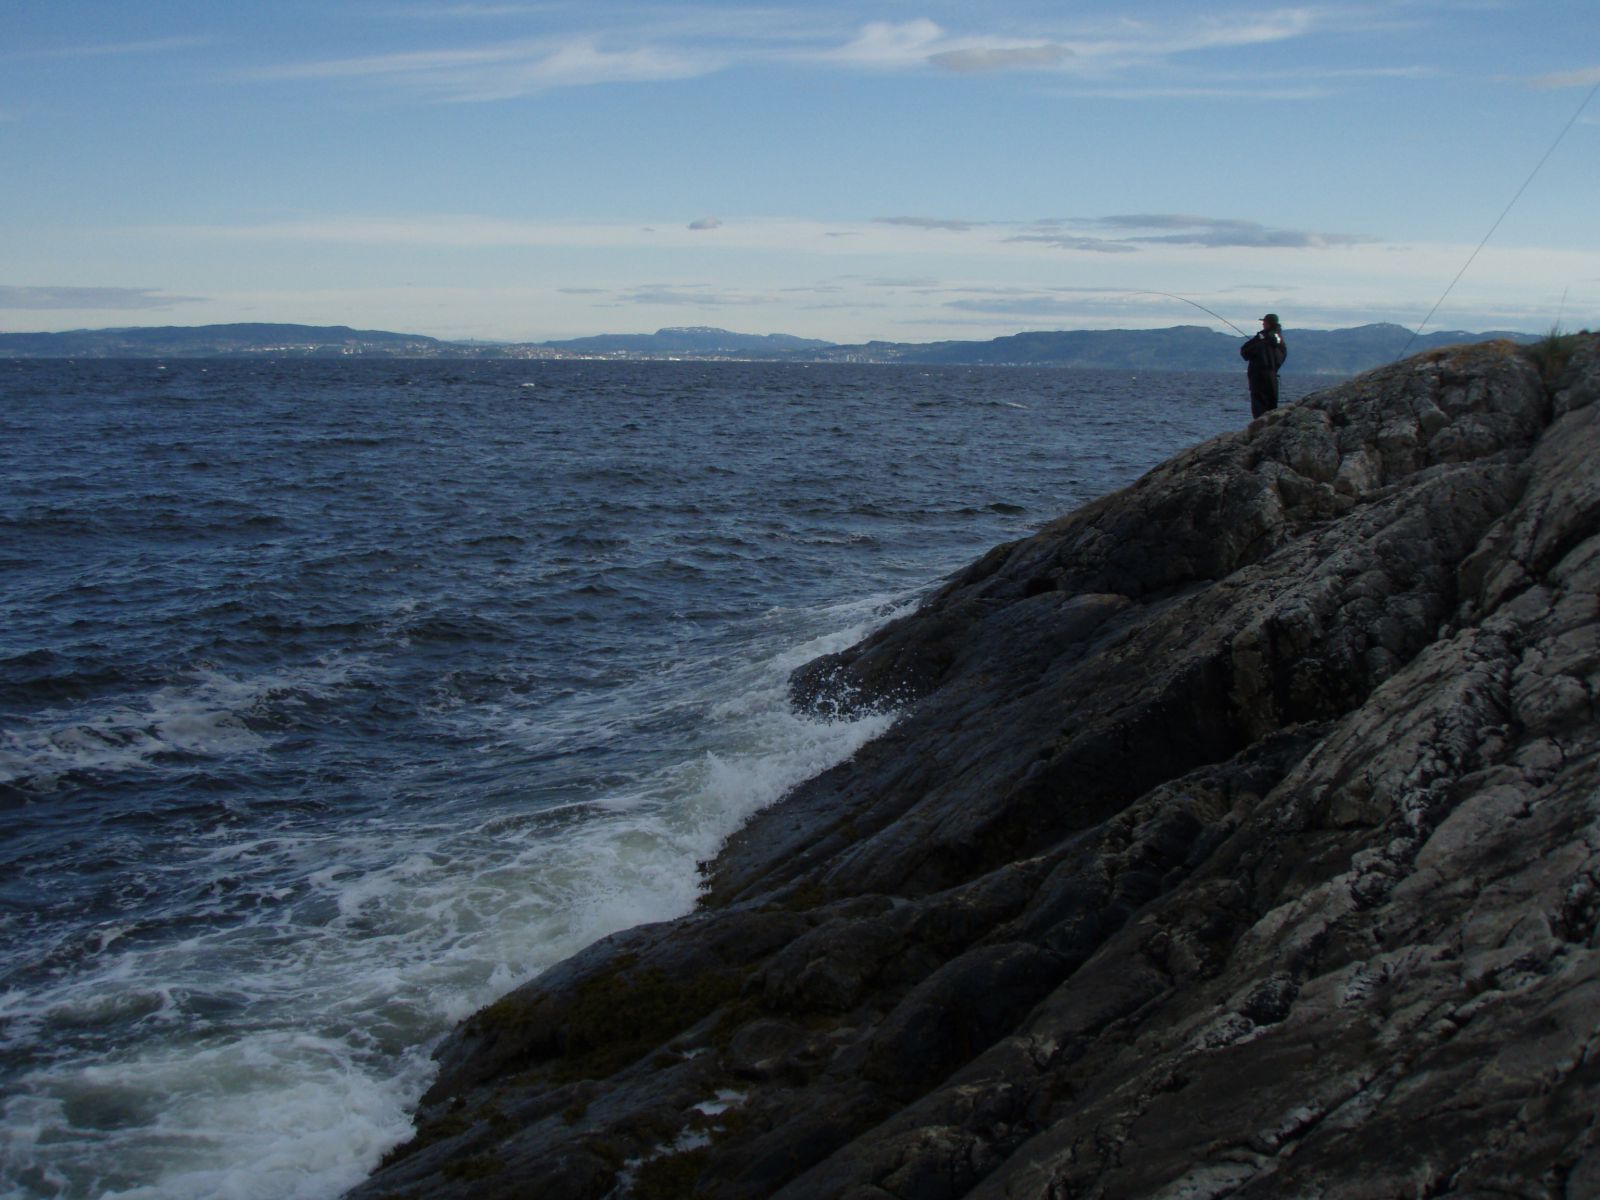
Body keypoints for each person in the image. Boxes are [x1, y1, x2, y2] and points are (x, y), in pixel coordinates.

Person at [1240, 313, 1287, 418]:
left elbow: (1245, 351)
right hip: (1272, 376)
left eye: (1264, 322)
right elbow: (1283, 356)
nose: (1262, 324)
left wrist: (1259, 340)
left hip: (1258, 376)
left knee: (1259, 405)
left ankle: (1259, 428)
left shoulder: (1261, 338)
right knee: (1272, 404)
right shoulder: (1280, 339)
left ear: (1268, 323)